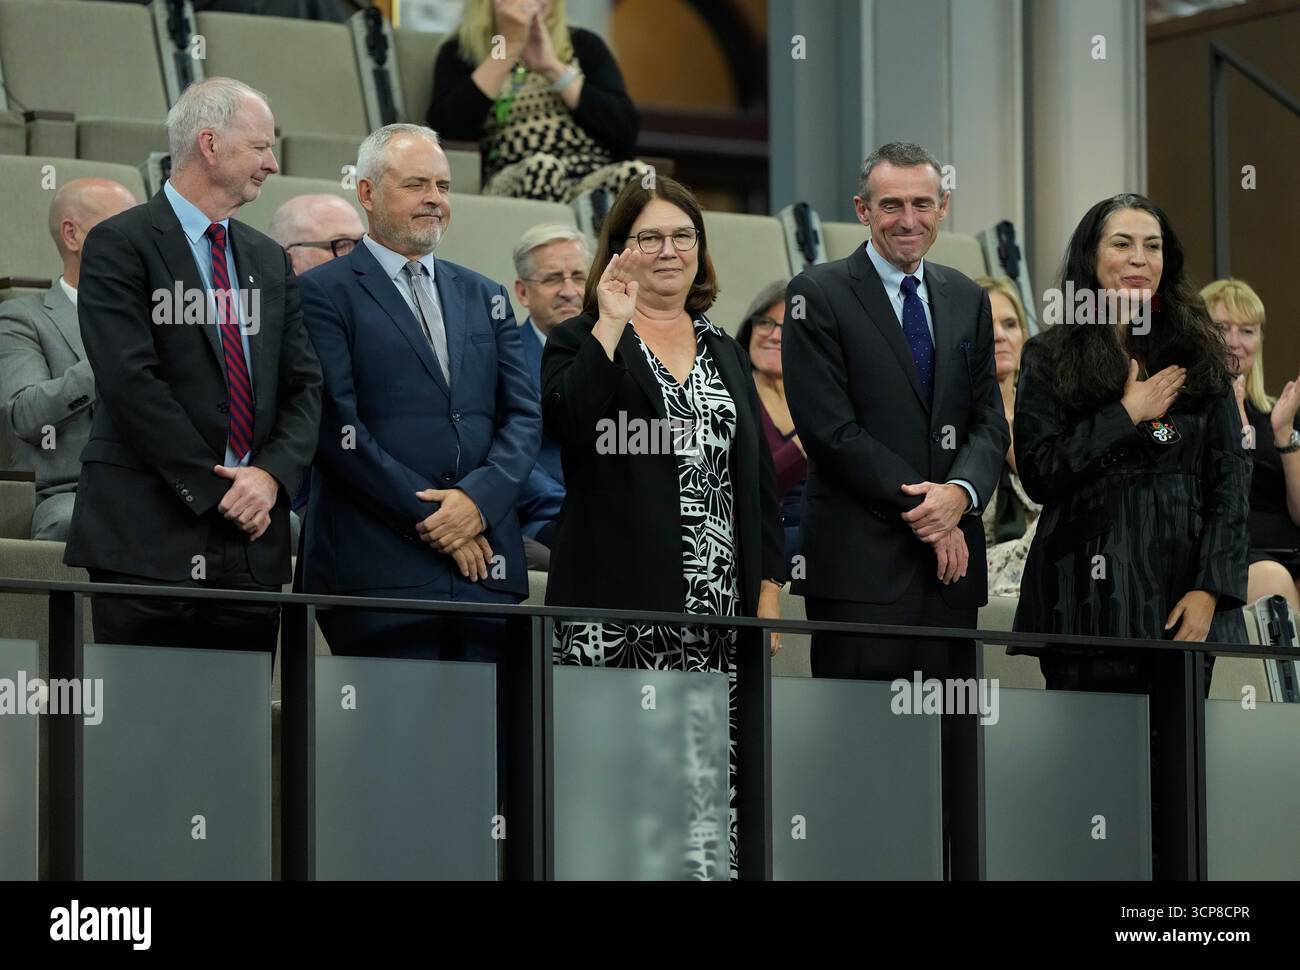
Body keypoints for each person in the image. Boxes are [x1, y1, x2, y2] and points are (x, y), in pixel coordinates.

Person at [541, 175, 784, 880]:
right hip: (619, 614)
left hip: (717, 623)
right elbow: (570, 426)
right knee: (619, 814)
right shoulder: (580, 339)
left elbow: (760, 485)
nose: (669, 250)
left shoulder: (725, 350)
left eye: (684, 236)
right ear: (619, 252)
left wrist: (766, 596)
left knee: (704, 813)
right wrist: (611, 321)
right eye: (649, 237)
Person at [62, 77, 323, 651]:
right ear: (209, 144)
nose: (273, 163)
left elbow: (304, 387)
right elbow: (131, 382)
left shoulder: (267, 259)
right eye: (260, 147)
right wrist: (218, 489)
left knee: (236, 733)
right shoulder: (118, 243)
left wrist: (269, 478)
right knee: (142, 730)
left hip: (252, 543)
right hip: (148, 539)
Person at [298, 123, 539, 659]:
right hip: (377, 572)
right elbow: (336, 427)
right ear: (366, 192)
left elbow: (523, 416)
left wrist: (478, 502)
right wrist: (441, 520)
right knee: (390, 740)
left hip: (486, 573)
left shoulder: (486, 294)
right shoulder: (320, 293)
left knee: (482, 740)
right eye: (415, 185)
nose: (435, 199)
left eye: (443, 186)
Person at [782, 142, 1009, 682]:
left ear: (943, 207)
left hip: (951, 578)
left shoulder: (966, 297)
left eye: (922, 204)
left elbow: (990, 422)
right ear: (863, 211)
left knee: (950, 755)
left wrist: (960, 495)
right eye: (891, 205)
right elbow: (831, 432)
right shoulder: (817, 292)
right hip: (862, 572)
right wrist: (934, 514)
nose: (909, 220)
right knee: (863, 748)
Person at [1012, 193, 1250, 691]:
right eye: (1123, 244)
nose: (1140, 259)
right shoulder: (1049, 355)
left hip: (1179, 598)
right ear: (1091, 257)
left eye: (1153, 246)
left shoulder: (1200, 351)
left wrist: (1209, 590)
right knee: (1091, 762)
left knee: (1178, 765)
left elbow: (1229, 481)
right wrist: (1126, 414)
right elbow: (1039, 473)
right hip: (1084, 601)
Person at [0, 178, 137, 540]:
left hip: (167, 488)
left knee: (277, 525)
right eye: (123, 229)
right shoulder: (23, 319)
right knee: (72, 523)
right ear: (72, 235)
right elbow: (25, 415)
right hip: (72, 490)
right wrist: (112, 357)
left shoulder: (164, 315)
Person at [427, 0, 648, 202]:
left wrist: (551, 67)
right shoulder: (462, 51)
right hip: (518, 174)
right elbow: (448, 127)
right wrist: (509, 47)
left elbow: (625, 130)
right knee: (544, 169)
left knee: (639, 176)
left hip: (590, 172)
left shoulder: (584, 44)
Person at [1202, 277, 1300, 612]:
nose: (1233, 342)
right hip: (1227, 555)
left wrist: (1284, 432)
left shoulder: (1278, 413)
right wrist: (1234, 414)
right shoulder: (1186, 413)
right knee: (1274, 582)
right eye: (1221, 328)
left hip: (1288, 551)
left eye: (1247, 331)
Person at [510, 222, 589, 567]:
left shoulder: (621, 352)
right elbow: (513, 458)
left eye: (579, 277)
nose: (570, 290)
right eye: (554, 278)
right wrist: (582, 509)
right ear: (523, 292)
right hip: (549, 517)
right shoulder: (503, 358)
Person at [972, 275, 1040, 596]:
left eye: (1010, 324)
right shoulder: (948, 421)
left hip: (1041, 558)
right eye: (987, 325)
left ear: (1024, 336)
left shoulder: (1049, 413)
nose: (1000, 336)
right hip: (977, 566)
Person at [734, 279, 805, 570]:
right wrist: (803, 447)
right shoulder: (728, 396)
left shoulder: (824, 401)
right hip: (759, 535)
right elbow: (746, 489)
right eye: (765, 323)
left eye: (787, 327)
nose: (775, 336)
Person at [266, 194, 365, 277]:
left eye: (363, 242)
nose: (360, 257)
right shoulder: (254, 297)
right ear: (288, 260)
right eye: (341, 246)